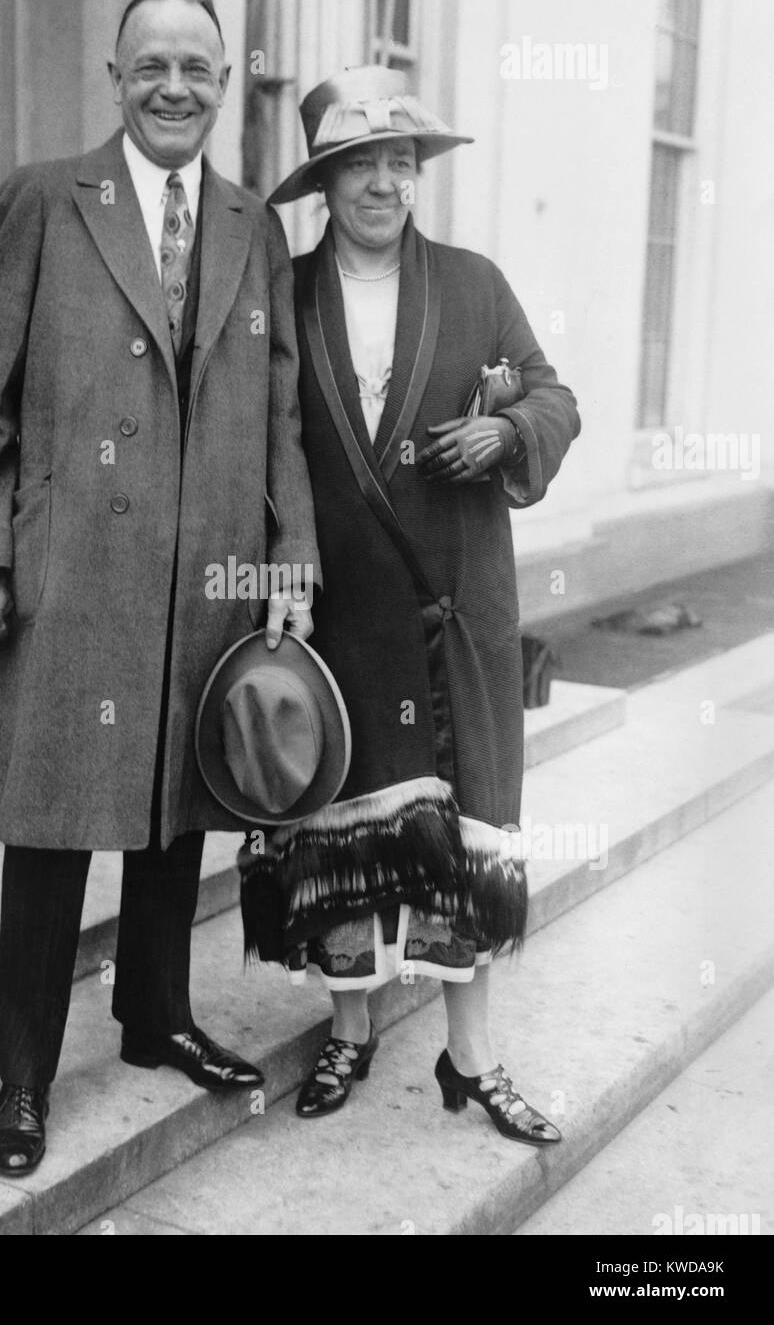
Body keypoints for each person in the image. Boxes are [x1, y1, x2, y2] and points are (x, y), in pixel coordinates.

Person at [0, 0, 318, 1177]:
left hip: (203, 576)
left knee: (177, 810)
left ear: (221, 83)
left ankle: (154, 1015)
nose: (174, 88)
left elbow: (278, 417)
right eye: (151, 65)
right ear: (114, 75)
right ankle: (23, 1079)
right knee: (53, 825)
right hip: (71, 574)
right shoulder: (47, 199)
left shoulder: (252, 224)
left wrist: (286, 563)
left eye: (196, 70)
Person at [246, 66, 580, 1142]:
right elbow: (267, 442)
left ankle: (469, 1056)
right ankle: (350, 1028)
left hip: (456, 605)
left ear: (415, 174)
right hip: (341, 609)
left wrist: (507, 432)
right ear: (326, 182)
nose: (382, 184)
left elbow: (551, 392)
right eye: (359, 165)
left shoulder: (475, 284)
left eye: (399, 162)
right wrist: (281, 567)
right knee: (343, 827)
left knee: (468, 827)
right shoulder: (289, 296)